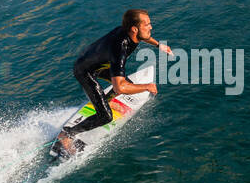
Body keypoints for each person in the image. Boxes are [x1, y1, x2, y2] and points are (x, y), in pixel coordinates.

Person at [57, 9, 172, 154]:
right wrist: (146, 86)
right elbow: (119, 88)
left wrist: (158, 45)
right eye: (147, 24)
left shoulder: (130, 32)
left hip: (96, 62)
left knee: (127, 82)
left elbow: (145, 36)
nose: (151, 27)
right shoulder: (120, 48)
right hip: (85, 71)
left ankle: (106, 101)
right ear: (134, 29)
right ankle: (67, 135)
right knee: (106, 116)